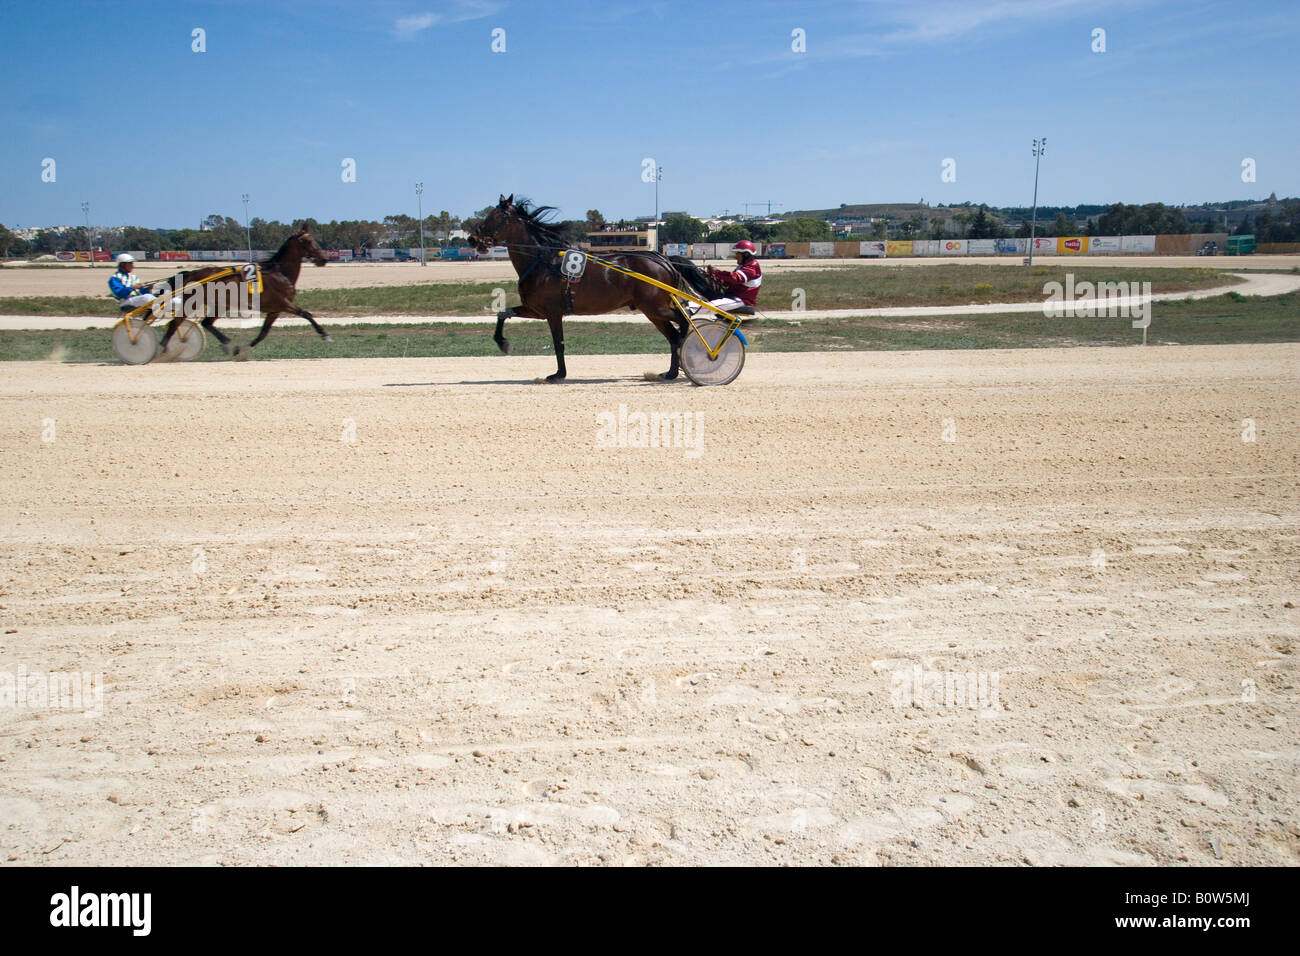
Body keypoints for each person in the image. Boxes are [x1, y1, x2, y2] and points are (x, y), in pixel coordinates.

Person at [689, 240, 762, 318]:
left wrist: (717, 272)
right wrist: (712, 276)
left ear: (746, 254)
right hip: (733, 297)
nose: (735, 257)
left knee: (707, 306)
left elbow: (735, 278)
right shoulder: (743, 266)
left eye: (737, 255)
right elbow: (728, 282)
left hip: (741, 300)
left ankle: (687, 309)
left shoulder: (752, 267)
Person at [107, 253, 181, 318]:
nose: (133, 265)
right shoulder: (115, 278)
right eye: (130, 263)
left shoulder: (133, 277)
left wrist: (148, 288)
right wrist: (132, 287)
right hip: (125, 302)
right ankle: (165, 306)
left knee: (164, 294)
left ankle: (178, 303)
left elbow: (140, 293)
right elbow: (120, 293)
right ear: (122, 264)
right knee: (147, 297)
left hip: (137, 300)